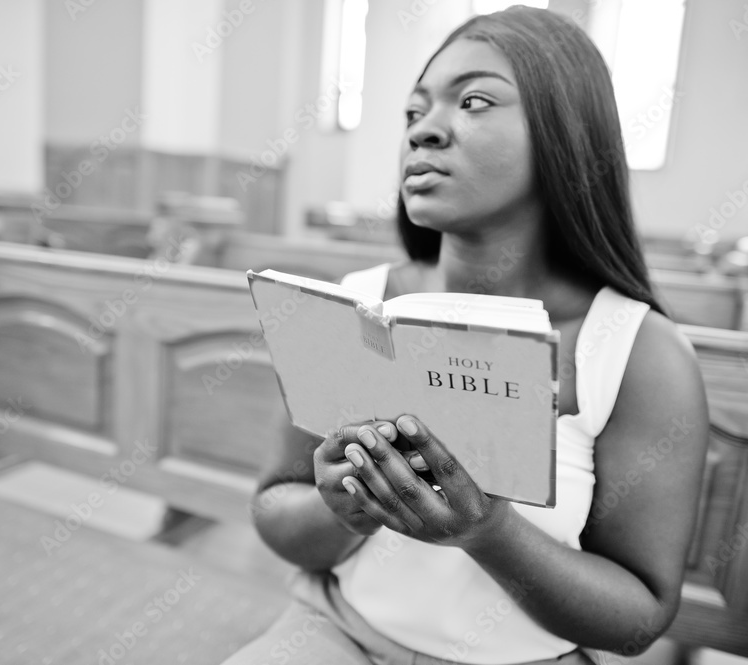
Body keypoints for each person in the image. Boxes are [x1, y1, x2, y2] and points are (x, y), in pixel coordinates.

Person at [224, 6, 709, 664]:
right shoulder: (361, 302)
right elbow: (276, 508)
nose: (423, 130)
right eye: (413, 112)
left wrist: (488, 529)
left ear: (565, 133)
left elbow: (638, 620)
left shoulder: (635, 352)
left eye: (474, 100)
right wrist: (344, 510)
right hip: (335, 630)